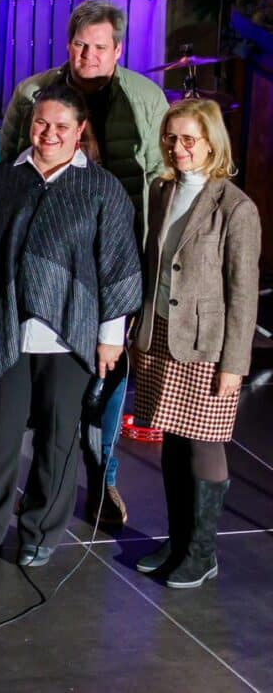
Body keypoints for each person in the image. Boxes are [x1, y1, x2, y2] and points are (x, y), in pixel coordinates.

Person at [0, 85, 142, 567]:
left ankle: (39, 533)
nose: (48, 134)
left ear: (80, 131)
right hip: (5, 329)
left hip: (71, 335)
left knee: (58, 439)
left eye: (60, 127)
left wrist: (109, 338)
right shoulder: (1, 181)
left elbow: (116, 266)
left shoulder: (100, 188)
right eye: (40, 124)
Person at [0, 0, 168, 526]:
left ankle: (104, 478)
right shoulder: (34, 93)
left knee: (109, 373)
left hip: (118, 255)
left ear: (117, 50)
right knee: (46, 374)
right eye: (80, 45)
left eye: (100, 47)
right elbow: (7, 165)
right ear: (67, 45)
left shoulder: (144, 97)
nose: (88, 55)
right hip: (50, 254)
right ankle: (44, 479)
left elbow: (159, 177)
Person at [131, 99, 260, 588]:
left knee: (204, 445)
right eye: (171, 137)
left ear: (211, 144)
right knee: (170, 438)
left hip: (208, 345)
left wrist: (235, 364)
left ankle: (202, 552)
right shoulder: (162, 190)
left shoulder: (236, 207)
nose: (178, 147)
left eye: (189, 139)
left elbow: (243, 294)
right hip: (161, 332)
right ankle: (179, 537)